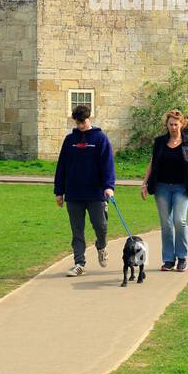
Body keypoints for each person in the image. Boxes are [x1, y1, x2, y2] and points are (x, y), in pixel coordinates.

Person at [53, 102, 116, 277]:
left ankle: (101, 246)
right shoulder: (70, 140)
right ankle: (79, 263)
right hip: (74, 194)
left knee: (100, 226)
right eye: (78, 123)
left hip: (96, 194)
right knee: (77, 231)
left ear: (89, 119)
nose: (81, 126)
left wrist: (109, 187)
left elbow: (108, 165)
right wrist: (59, 191)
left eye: (83, 122)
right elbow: (62, 167)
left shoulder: (100, 138)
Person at [140, 109, 188, 272]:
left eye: (176, 124)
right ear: (166, 125)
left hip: (182, 187)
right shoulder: (159, 142)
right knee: (166, 224)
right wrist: (145, 183)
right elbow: (152, 163)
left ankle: (182, 257)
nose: (173, 127)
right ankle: (168, 259)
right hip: (162, 187)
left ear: (182, 124)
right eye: (170, 124)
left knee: (179, 221)